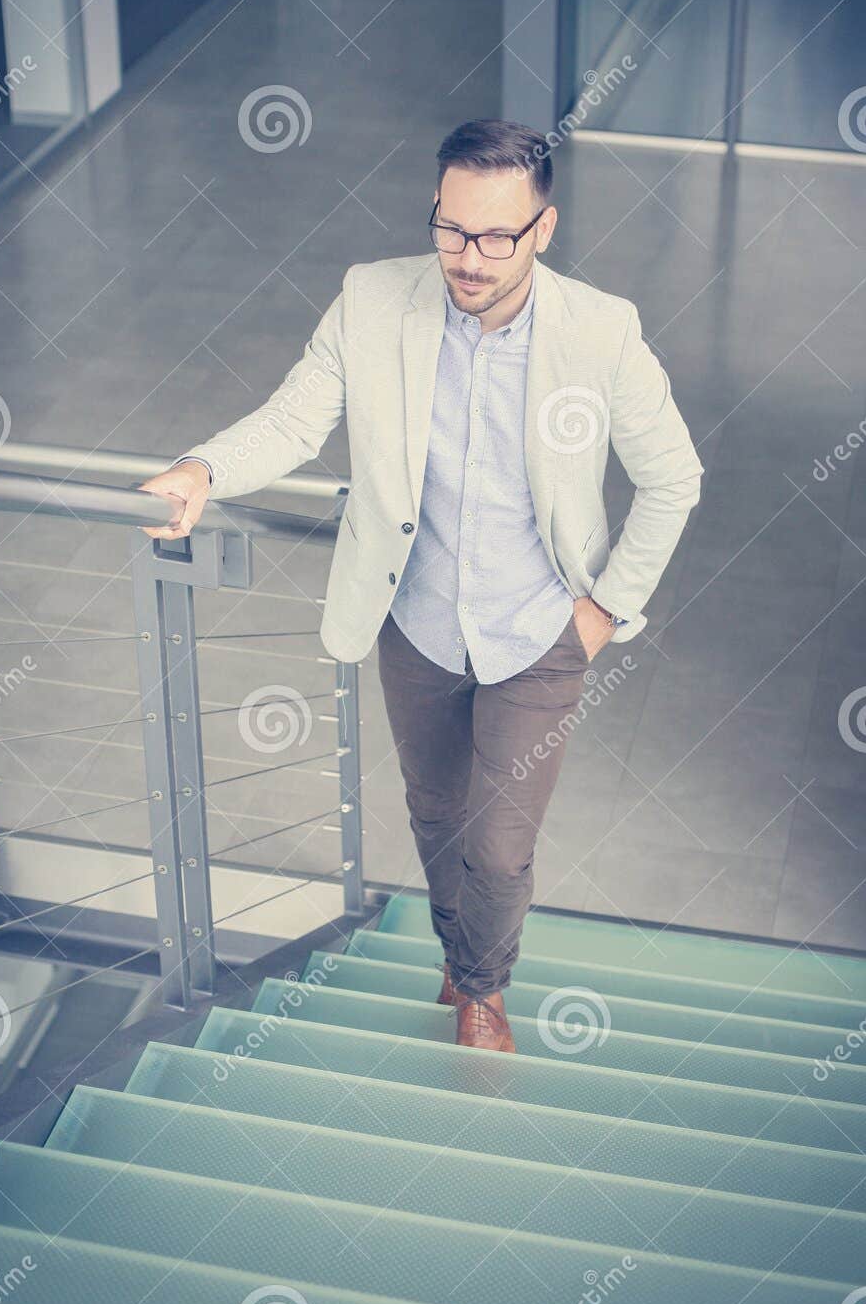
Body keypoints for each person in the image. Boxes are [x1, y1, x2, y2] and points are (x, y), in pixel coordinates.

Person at [141, 118, 703, 1051]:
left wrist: (601, 612)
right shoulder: (373, 299)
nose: (468, 258)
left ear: (544, 229)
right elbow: (292, 420)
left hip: (539, 634)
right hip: (415, 623)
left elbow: (673, 476)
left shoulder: (600, 333)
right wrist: (203, 467)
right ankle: (456, 952)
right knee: (436, 814)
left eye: (495, 236)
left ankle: (483, 989)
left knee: (498, 844)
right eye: (450, 229)